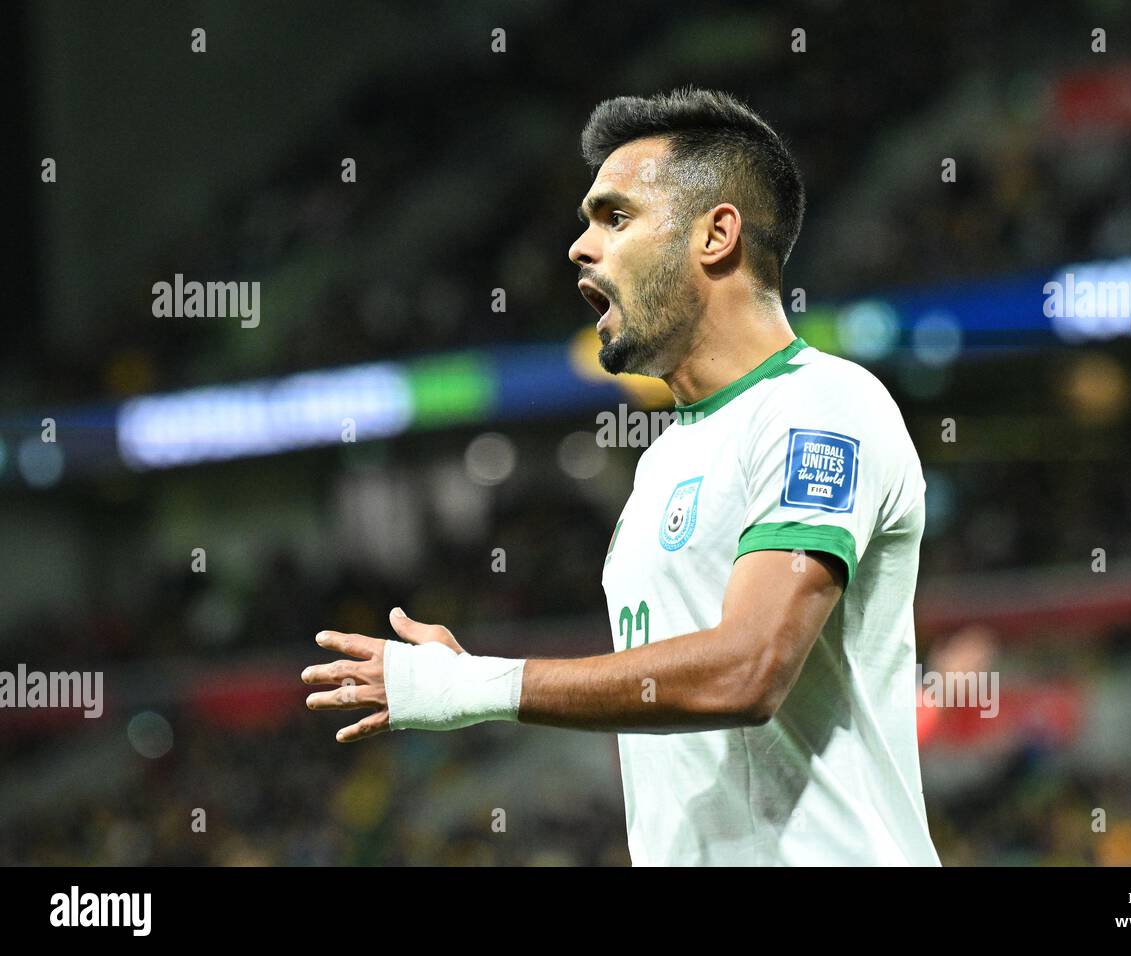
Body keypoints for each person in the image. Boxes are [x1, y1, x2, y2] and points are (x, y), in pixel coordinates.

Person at [304, 88, 939, 866]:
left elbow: (749, 669)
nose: (579, 246)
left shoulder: (821, 404)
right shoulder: (662, 463)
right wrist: (469, 676)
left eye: (615, 217)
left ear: (716, 234)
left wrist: (482, 688)